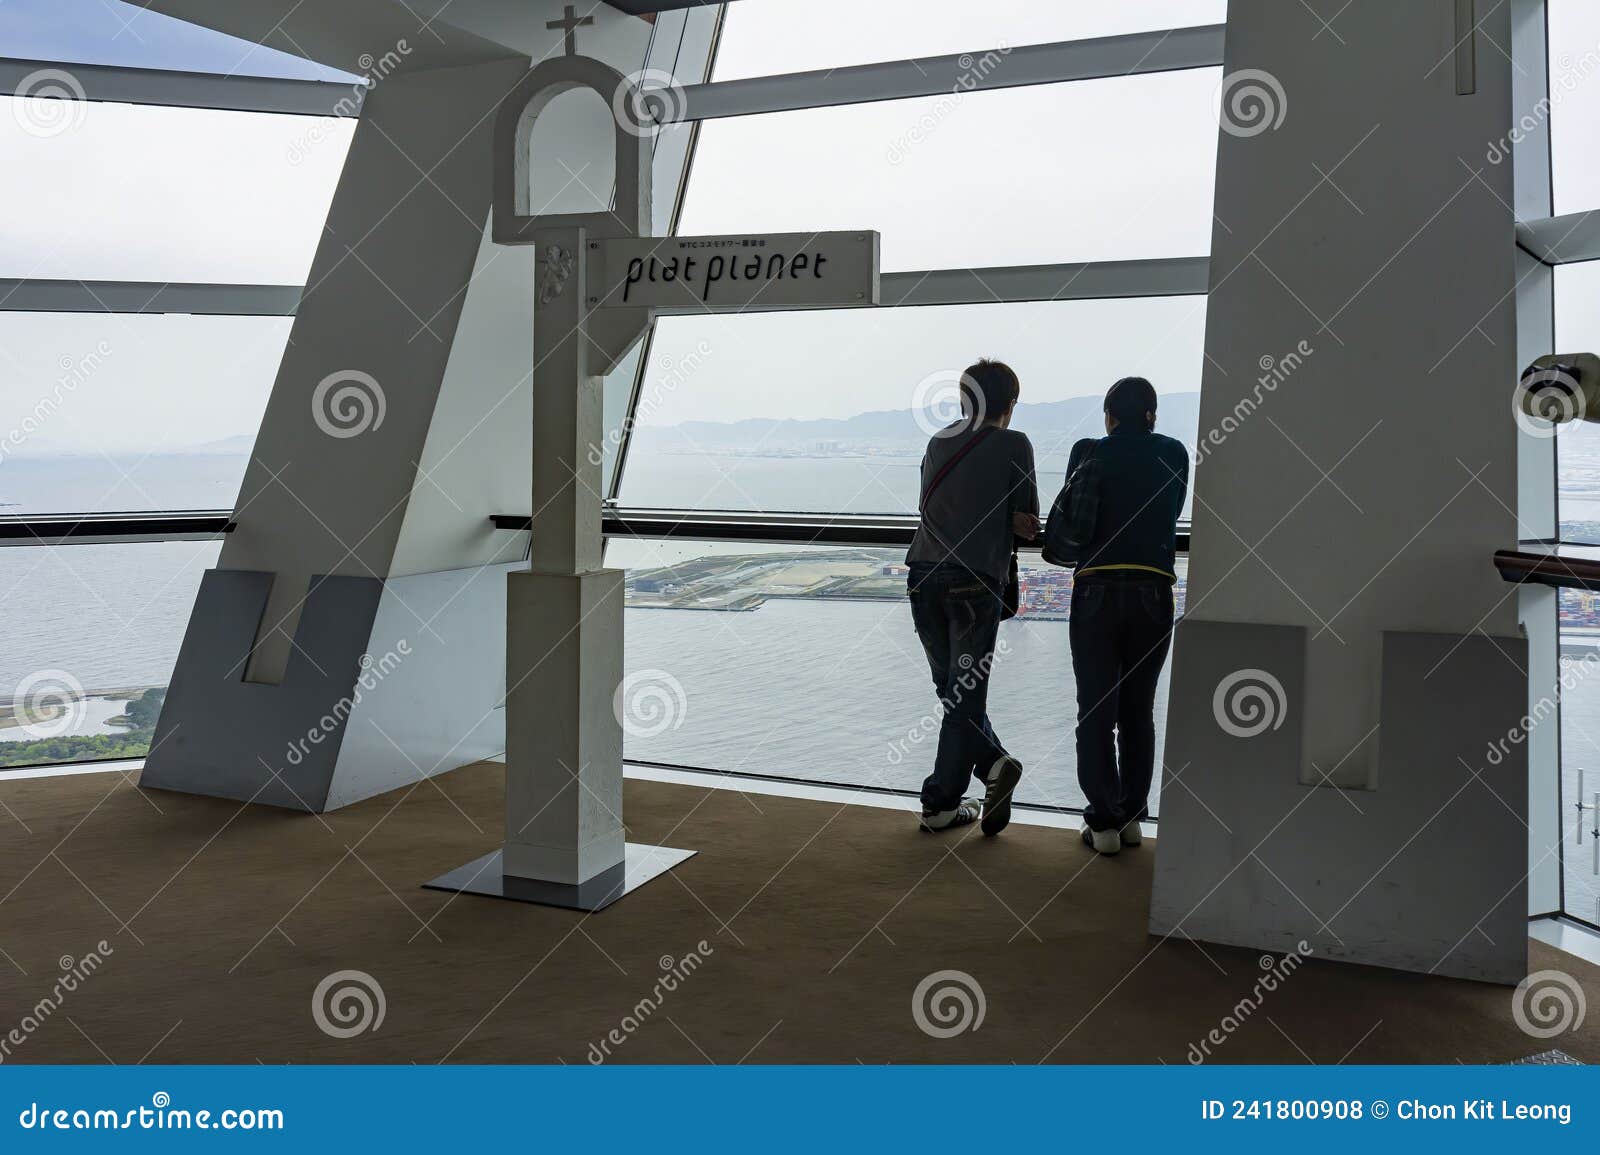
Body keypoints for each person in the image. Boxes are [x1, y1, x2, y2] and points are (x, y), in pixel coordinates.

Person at [905, 359, 1039, 834]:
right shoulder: (1013, 444)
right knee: (963, 697)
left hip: (922, 575)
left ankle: (995, 768)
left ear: (963, 399)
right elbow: (1027, 524)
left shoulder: (937, 441)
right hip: (973, 584)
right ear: (1010, 403)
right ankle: (942, 801)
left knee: (951, 692)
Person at [1066, 376, 1189, 855]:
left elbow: (1076, 521)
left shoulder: (1088, 451)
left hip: (1097, 588)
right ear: (1152, 415)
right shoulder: (1175, 453)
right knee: (1139, 710)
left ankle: (1103, 823)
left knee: (1096, 710)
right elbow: (1172, 509)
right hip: (1153, 591)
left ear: (1109, 415)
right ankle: (1134, 815)